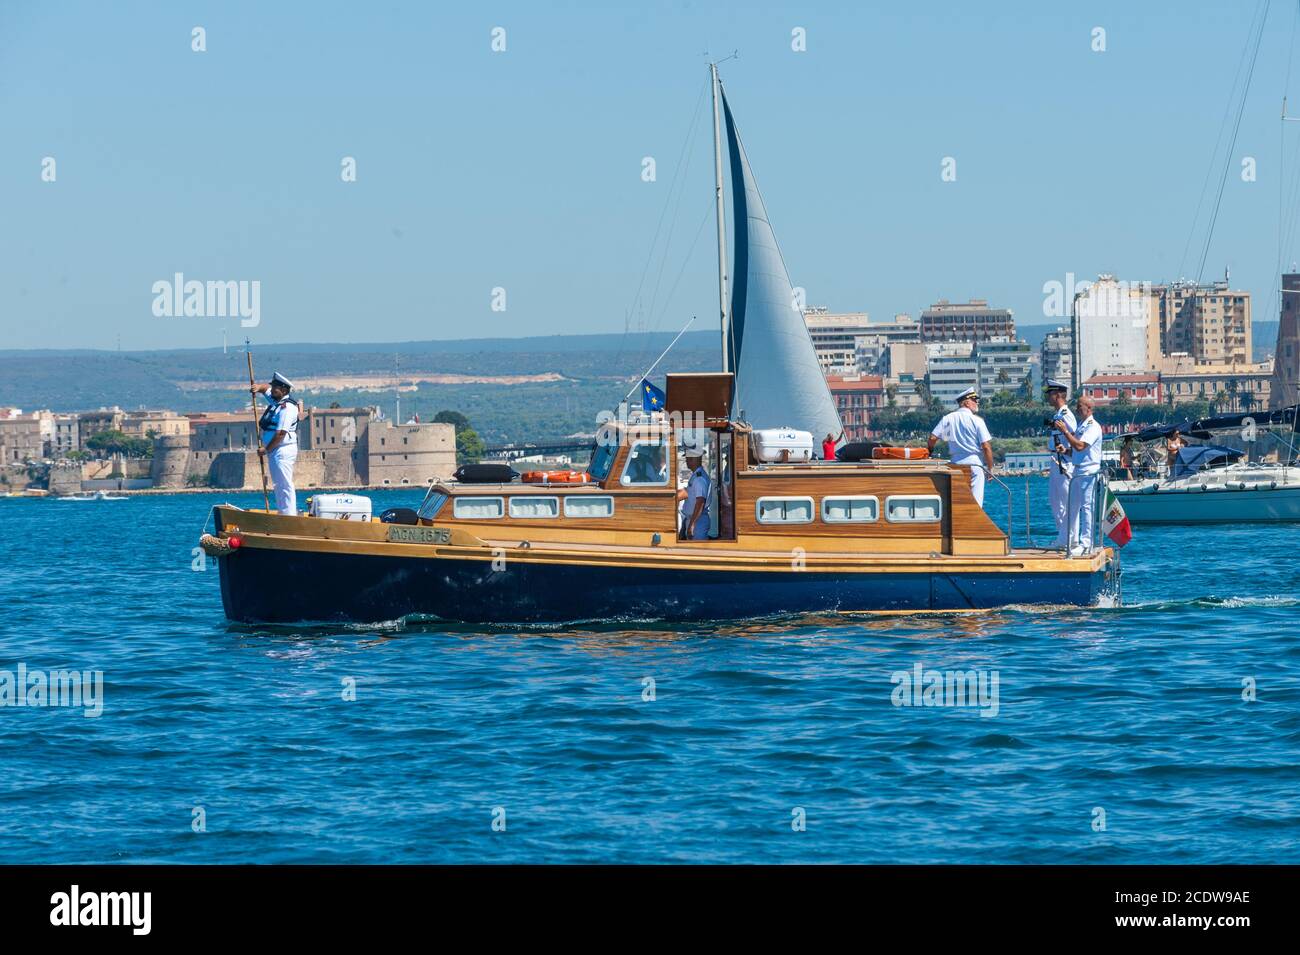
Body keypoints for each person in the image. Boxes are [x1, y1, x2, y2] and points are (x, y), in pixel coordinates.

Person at [1053, 394, 1103, 557]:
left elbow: (1081, 446)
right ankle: (1066, 539)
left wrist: (1065, 431)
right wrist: (1066, 451)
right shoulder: (1082, 425)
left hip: (1088, 472)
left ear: (1089, 408)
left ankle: (1086, 543)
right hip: (1077, 470)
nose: (1077, 409)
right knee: (1072, 506)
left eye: (1080, 406)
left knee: (1087, 507)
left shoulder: (1093, 426)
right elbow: (1076, 450)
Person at [927, 387, 994, 507]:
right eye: (974, 399)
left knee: (958, 503)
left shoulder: (948, 418)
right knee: (976, 503)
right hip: (974, 465)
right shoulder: (977, 421)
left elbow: (933, 438)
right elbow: (986, 447)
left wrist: (930, 452)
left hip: (955, 465)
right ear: (967, 403)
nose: (977, 402)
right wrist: (990, 469)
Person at [251, 371, 300, 515]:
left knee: (284, 483)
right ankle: (283, 512)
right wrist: (258, 387)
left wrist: (266, 450)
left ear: (284, 390)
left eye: (275, 388)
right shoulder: (277, 402)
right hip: (276, 450)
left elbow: (280, 434)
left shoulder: (288, 408)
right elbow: (265, 390)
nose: (272, 390)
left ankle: (288, 515)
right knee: (278, 484)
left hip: (282, 449)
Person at [1044, 380, 1076, 549]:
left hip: (1064, 462)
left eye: (1050, 394)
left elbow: (1074, 436)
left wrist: (1066, 451)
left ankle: (1070, 539)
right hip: (1056, 461)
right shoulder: (1058, 414)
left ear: (1057, 395)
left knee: (1066, 501)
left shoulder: (1066, 414)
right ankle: (1063, 538)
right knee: (1056, 501)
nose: (1048, 397)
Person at [677, 447, 711, 540]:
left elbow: (700, 501)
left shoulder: (699, 478)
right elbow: (688, 493)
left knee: (697, 551)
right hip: (694, 519)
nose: (687, 460)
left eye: (688, 458)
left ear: (695, 458)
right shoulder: (695, 476)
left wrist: (692, 524)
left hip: (697, 522)